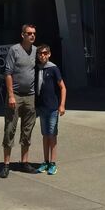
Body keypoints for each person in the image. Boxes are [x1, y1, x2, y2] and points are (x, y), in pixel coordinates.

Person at [0, 23, 38, 178]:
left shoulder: (36, 51)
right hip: (15, 95)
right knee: (10, 128)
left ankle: (24, 162)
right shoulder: (14, 50)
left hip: (30, 96)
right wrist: (10, 96)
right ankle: (6, 164)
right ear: (23, 35)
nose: (32, 36)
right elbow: (7, 73)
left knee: (27, 129)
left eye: (34, 33)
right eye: (29, 33)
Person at [35, 43, 66, 176]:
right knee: (45, 135)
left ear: (49, 54)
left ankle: (53, 163)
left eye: (45, 53)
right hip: (42, 107)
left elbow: (62, 87)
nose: (43, 55)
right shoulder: (37, 68)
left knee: (52, 134)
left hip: (53, 107)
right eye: (40, 53)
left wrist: (62, 105)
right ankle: (46, 161)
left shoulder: (53, 68)